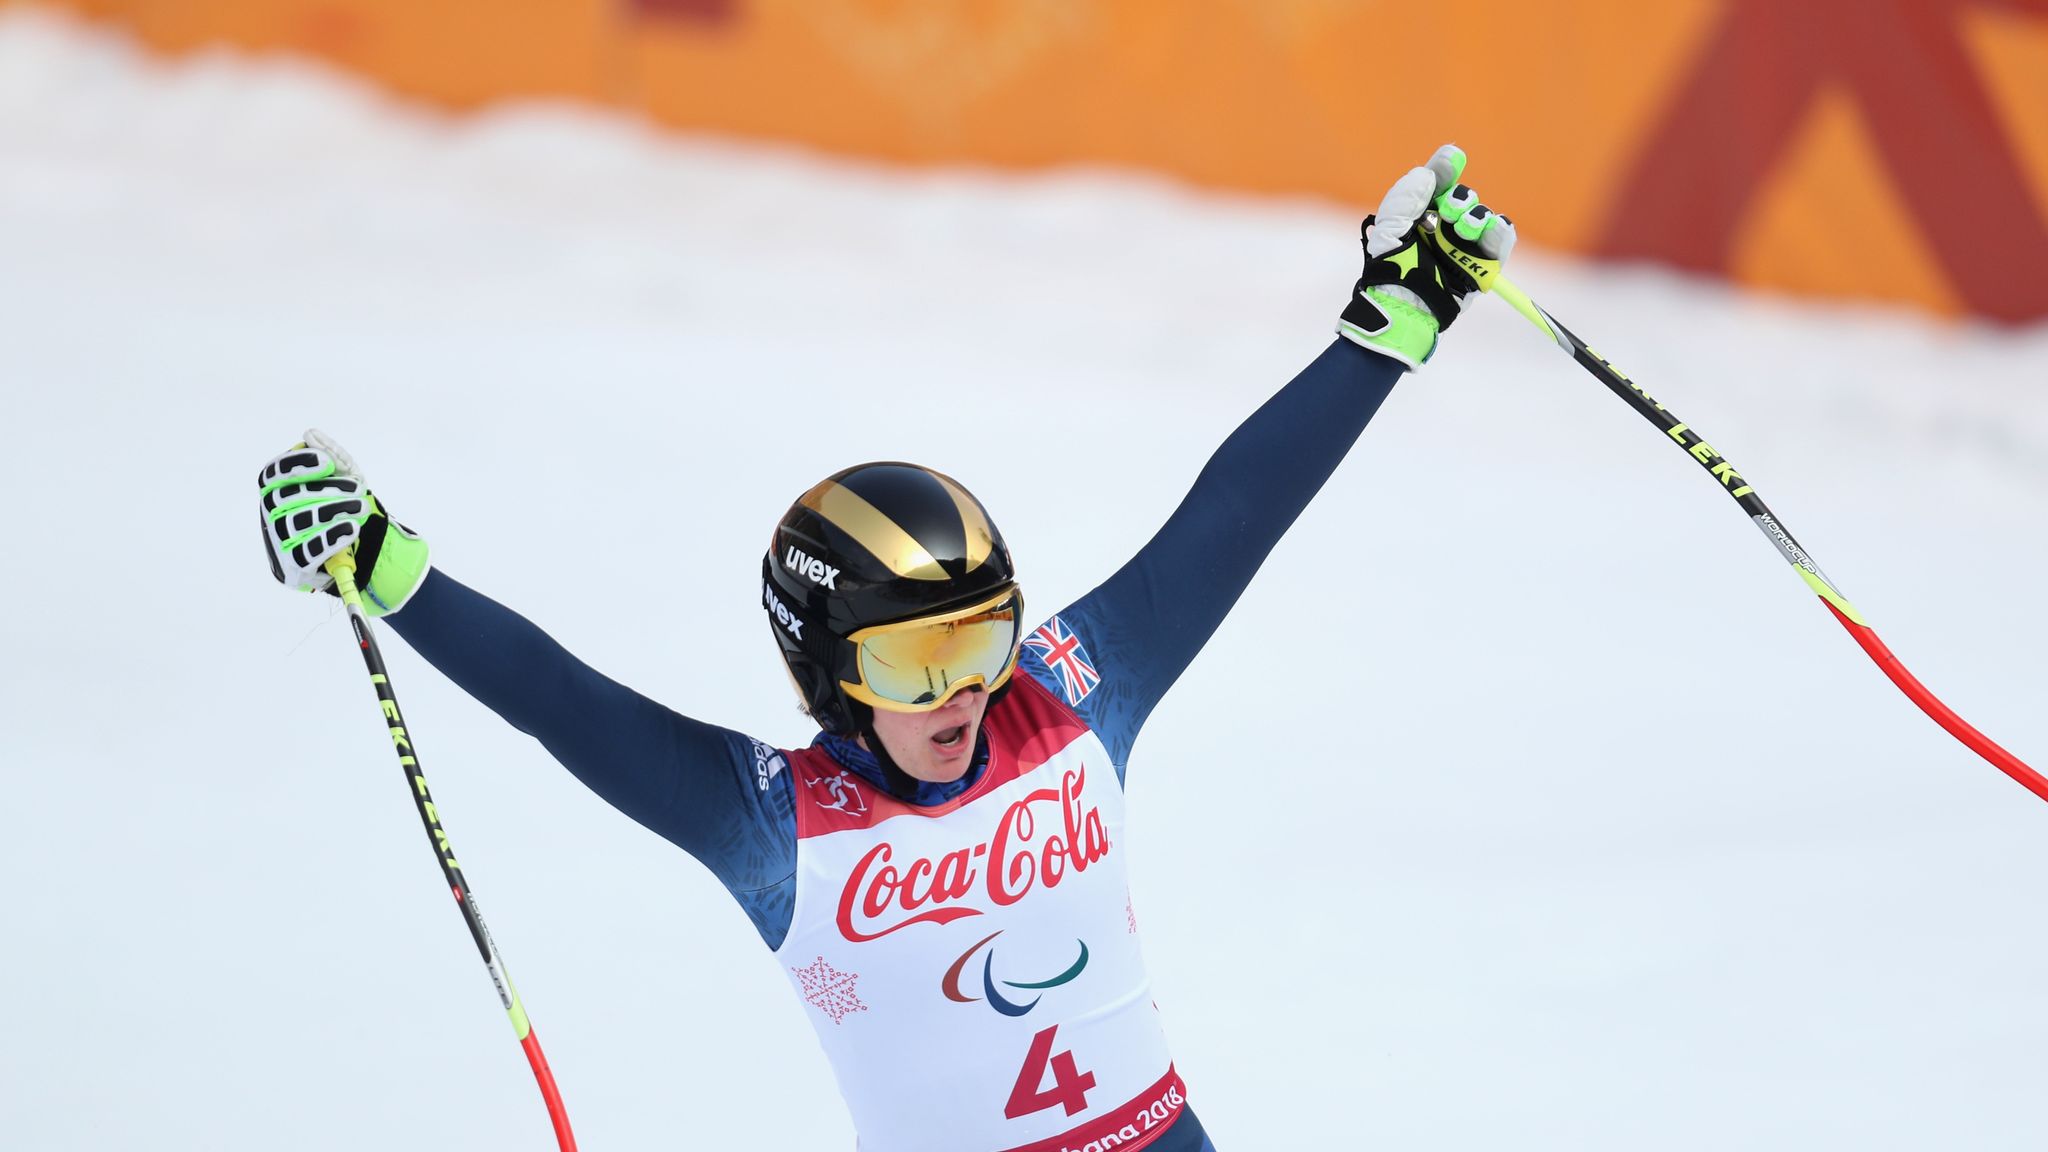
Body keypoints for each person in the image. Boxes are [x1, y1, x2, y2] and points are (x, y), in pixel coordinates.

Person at [257, 145, 1516, 1152]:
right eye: (915, 665)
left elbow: (1229, 518)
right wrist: (386, 568)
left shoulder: (1070, 699)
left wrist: (1389, 325)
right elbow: (560, 699)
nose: (962, 693)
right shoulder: (770, 827)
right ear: (829, 677)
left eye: (981, 640)